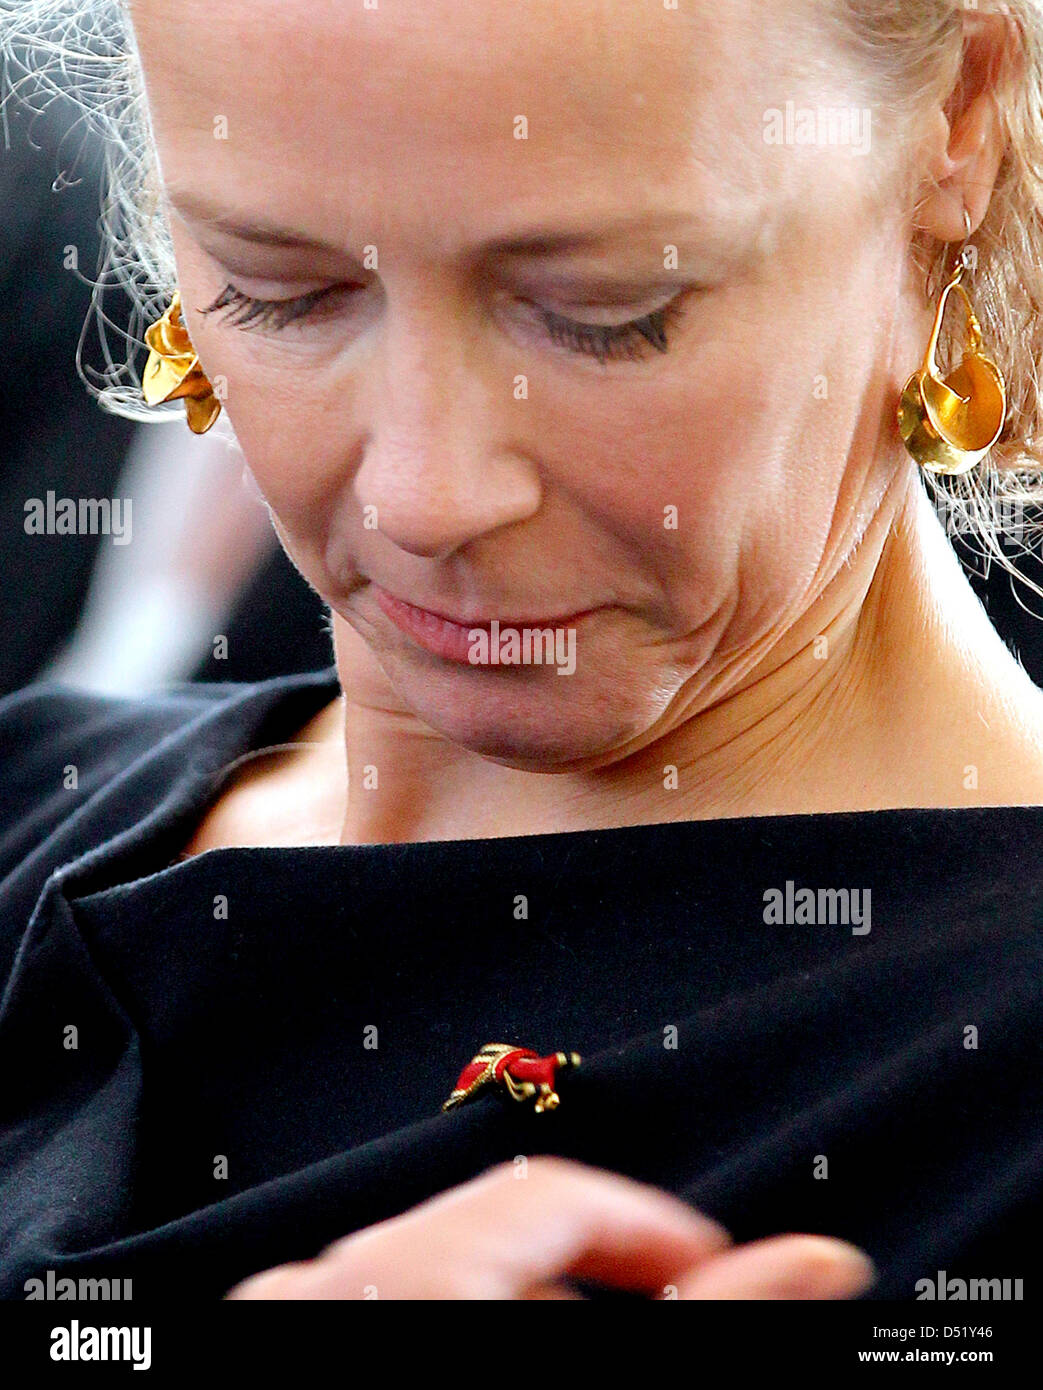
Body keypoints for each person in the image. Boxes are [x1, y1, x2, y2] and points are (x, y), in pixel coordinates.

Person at [0, 0, 1042, 1304]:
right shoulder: (33, 792)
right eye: (282, 293)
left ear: (957, 124)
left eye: (605, 313)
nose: (424, 497)